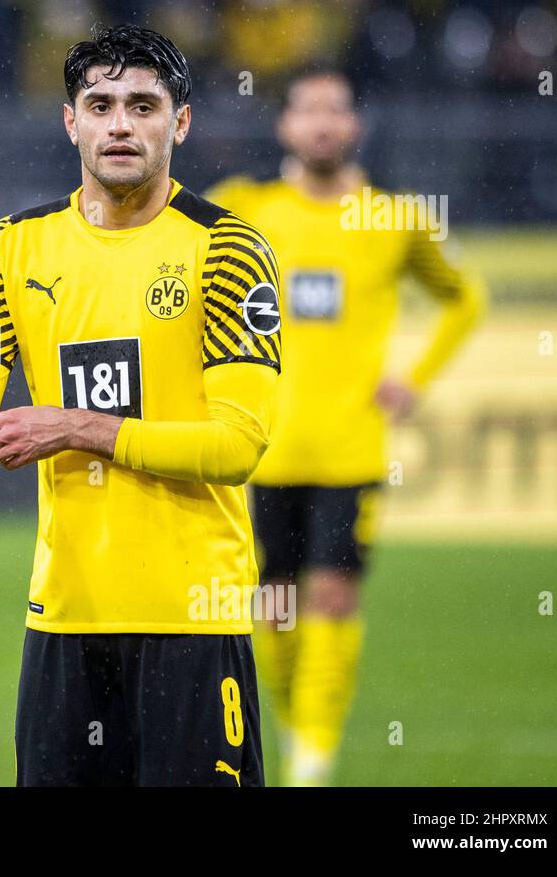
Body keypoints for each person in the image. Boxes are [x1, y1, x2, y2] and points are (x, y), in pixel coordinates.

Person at [0, 24, 282, 786]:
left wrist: (76, 427)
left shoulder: (228, 250)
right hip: (63, 625)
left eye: (143, 105)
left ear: (182, 121)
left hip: (192, 622)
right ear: (71, 122)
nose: (121, 124)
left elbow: (238, 445)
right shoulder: (7, 249)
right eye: (100, 105)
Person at [208, 68, 485, 786]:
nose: (323, 123)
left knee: (332, 594)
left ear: (356, 124)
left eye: (336, 108)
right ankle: (302, 723)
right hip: (259, 449)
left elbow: (463, 299)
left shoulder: (394, 218)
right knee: (271, 606)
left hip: (350, 448)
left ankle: (314, 757)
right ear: (286, 127)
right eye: (308, 109)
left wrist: (414, 381)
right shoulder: (243, 208)